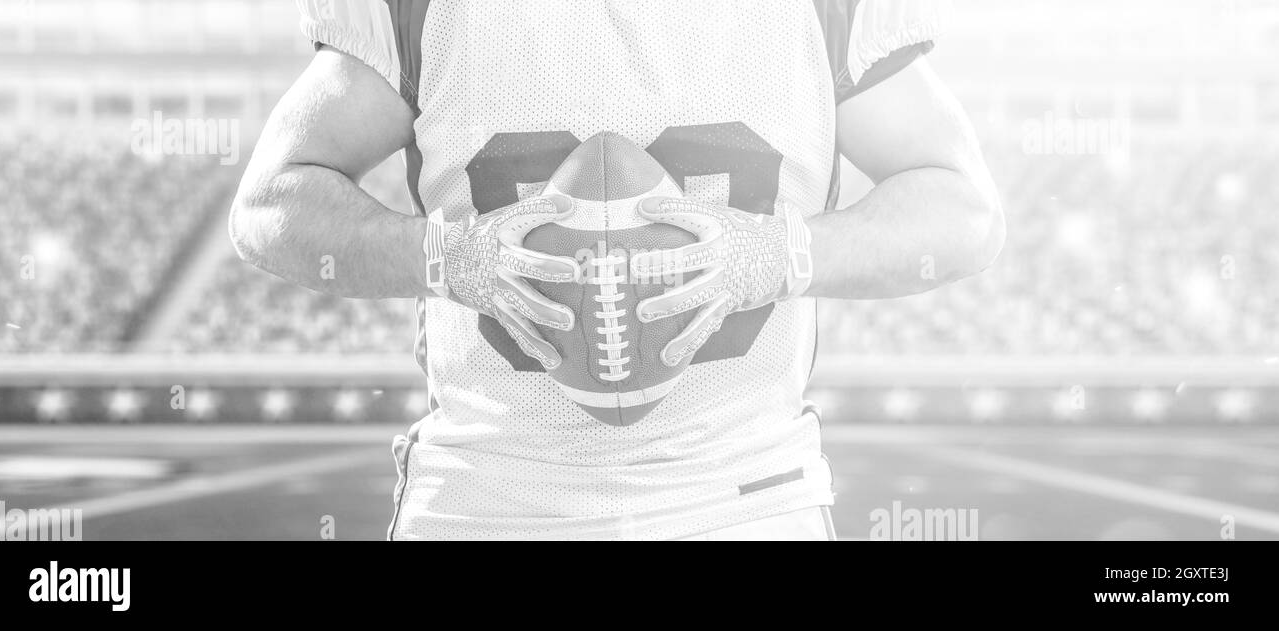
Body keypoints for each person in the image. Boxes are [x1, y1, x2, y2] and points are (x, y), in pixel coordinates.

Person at [229, 0, 1004, 540]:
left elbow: (964, 212)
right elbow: (269, 204)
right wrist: (447, 257)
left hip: (740, 495)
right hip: (490, 495)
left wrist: (779, 255)